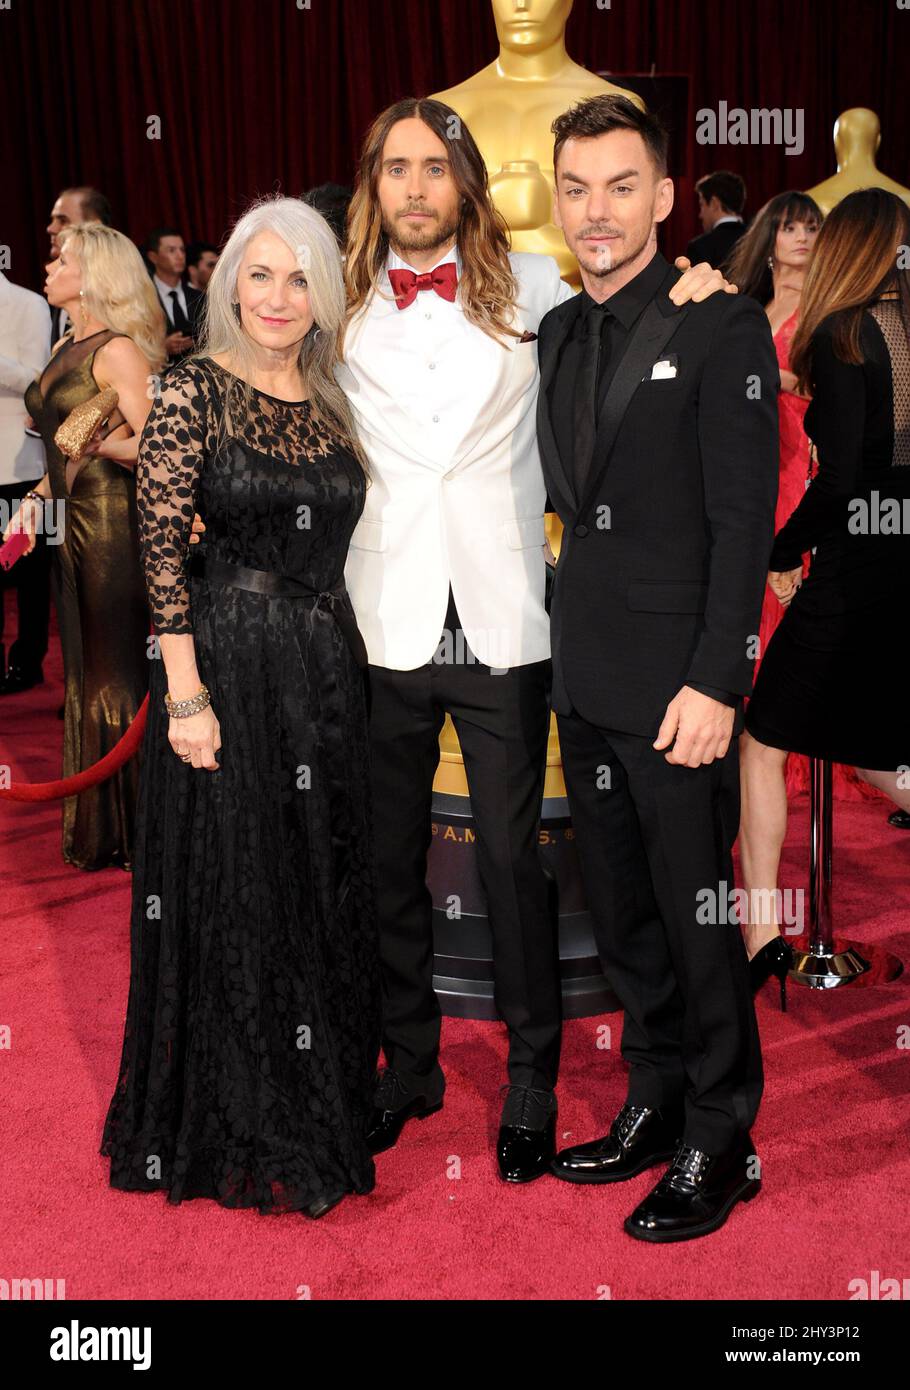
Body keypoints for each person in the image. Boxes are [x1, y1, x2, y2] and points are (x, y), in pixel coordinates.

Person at [189, 103, 725, 1186]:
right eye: (396, 170)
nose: (417, 188)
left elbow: (640, 309)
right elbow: (253, 367)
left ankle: (532, 1075)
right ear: (374, 183)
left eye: (435, 168)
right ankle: (410, 1063)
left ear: (464, 181)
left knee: (515, 860)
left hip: (507, 620)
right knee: (387, 863)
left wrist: (705, 284)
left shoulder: (539, 289)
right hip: (374, 620)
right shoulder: (333, 304)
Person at [100, 196, 380, 1219]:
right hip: (226, 666)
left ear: (323, 292)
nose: (277, 296)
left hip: (326, 669)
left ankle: (321, 1103)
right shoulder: (188, 392)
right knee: (238, 889)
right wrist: (184, 698)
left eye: (298, 276)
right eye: (257, 275)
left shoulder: (334, 397)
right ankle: (237, 1116)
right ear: (227, 288)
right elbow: (160, 549)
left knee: (317, 883)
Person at [540, 96, 779, 1242]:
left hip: (681, 689)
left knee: (696, 918)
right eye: (576, 187)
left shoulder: (721, 326)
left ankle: (723, 1136)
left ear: (663, 197)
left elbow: (744, 527)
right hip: (582, 680)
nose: (596, 211)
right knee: (627, 918)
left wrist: (718, 683)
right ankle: (655, 1097)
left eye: (620, 185)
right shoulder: (555, 332)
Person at [745, 188, 910, 960]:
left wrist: (779, 549)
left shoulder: (847, 335)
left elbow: (840, 482)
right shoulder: (900, 330)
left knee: (763, 738)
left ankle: (759, 934)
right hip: (897, 568)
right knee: (879, 745)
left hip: (848, 576)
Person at [3, 223, 165, 870]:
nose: (48, 265)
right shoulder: (67, 341)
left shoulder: (120, 350)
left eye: (63, 258)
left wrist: (101, 445)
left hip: (112, 525)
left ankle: (136, 832)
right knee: (82, 675)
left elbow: (159, 446)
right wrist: (35, 501)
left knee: (113, 671)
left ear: (92, 274)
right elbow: (61, 447)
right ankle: (99, 828)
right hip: (68, 521)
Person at [0, 269, 51, 694]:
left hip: (22, 465)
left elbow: (39, 378)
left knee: (31, 573)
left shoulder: (28, 303)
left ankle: (26, 663)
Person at [46, 186, 113, 341]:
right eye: (52, 220)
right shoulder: (57, 289)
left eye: (63, 220)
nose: (50, 228)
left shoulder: (118, 295)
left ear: (94, 226)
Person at [146, 228, 202, 363]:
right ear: (153, 257)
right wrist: (161, 348)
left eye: (182, 250)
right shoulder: (142, 300)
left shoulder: (199, 297)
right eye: (171, 250)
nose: (180, 256)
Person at [685, 170, 747, 269]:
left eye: (701, 205)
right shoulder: (760, 240)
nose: (700, 215)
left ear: (714, 203)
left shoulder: (700, 247)